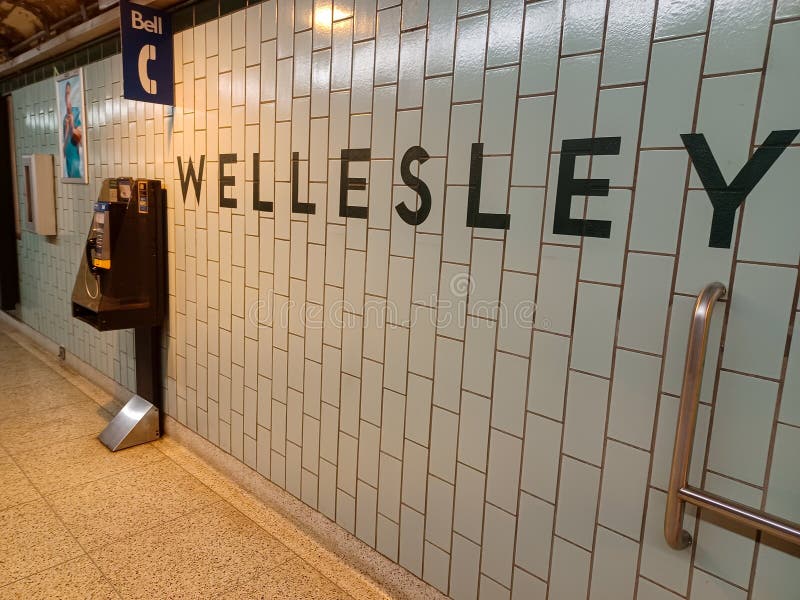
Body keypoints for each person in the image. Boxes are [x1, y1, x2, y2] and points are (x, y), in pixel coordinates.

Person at [62, 80, 83, 179]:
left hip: (74, 153)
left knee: (75, 172)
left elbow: (77, 136)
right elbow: (66, 136)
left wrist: (71, 125)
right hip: (69, 152)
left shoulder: (76, 115)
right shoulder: (66, 118)